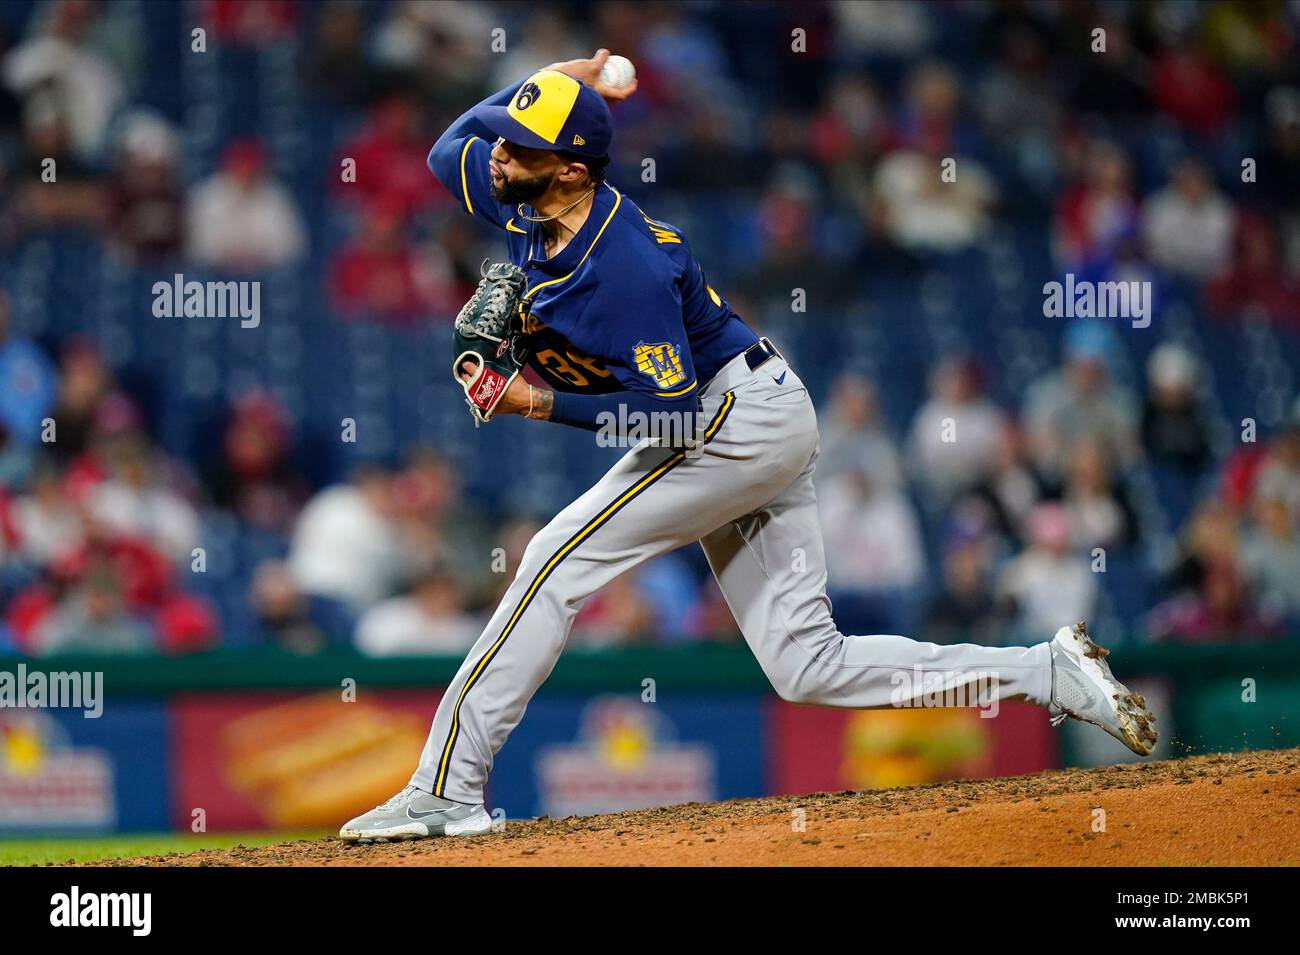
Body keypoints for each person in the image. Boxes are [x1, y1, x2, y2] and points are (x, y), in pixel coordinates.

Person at [339, 51, 1157, 844]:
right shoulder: (525, 197)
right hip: (757, 415)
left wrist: (535, 401)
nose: (499, 155)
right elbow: (447, 149)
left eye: (522, 147)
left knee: (554, 560)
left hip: (732, 420)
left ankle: (447, 790)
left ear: (572, 172)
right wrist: (560, 80)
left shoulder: (623, 267)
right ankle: (1045, 673)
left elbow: (673, 418)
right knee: (808, 666)